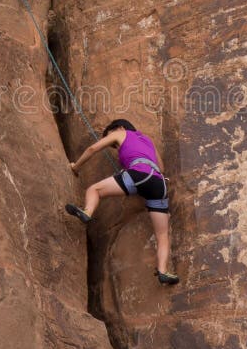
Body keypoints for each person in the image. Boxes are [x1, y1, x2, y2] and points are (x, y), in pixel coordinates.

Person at [65, 119, 179, 285]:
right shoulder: (148, 140)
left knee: (94, 190)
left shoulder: (120, 133)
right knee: (162, 234)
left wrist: (76, 167)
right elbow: (161, 168)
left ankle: (87, 212)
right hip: (158, 183)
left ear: (118, 127)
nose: (116, 148)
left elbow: (93, 148)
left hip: (137, 175)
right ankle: (163, 270)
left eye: (114, 143)